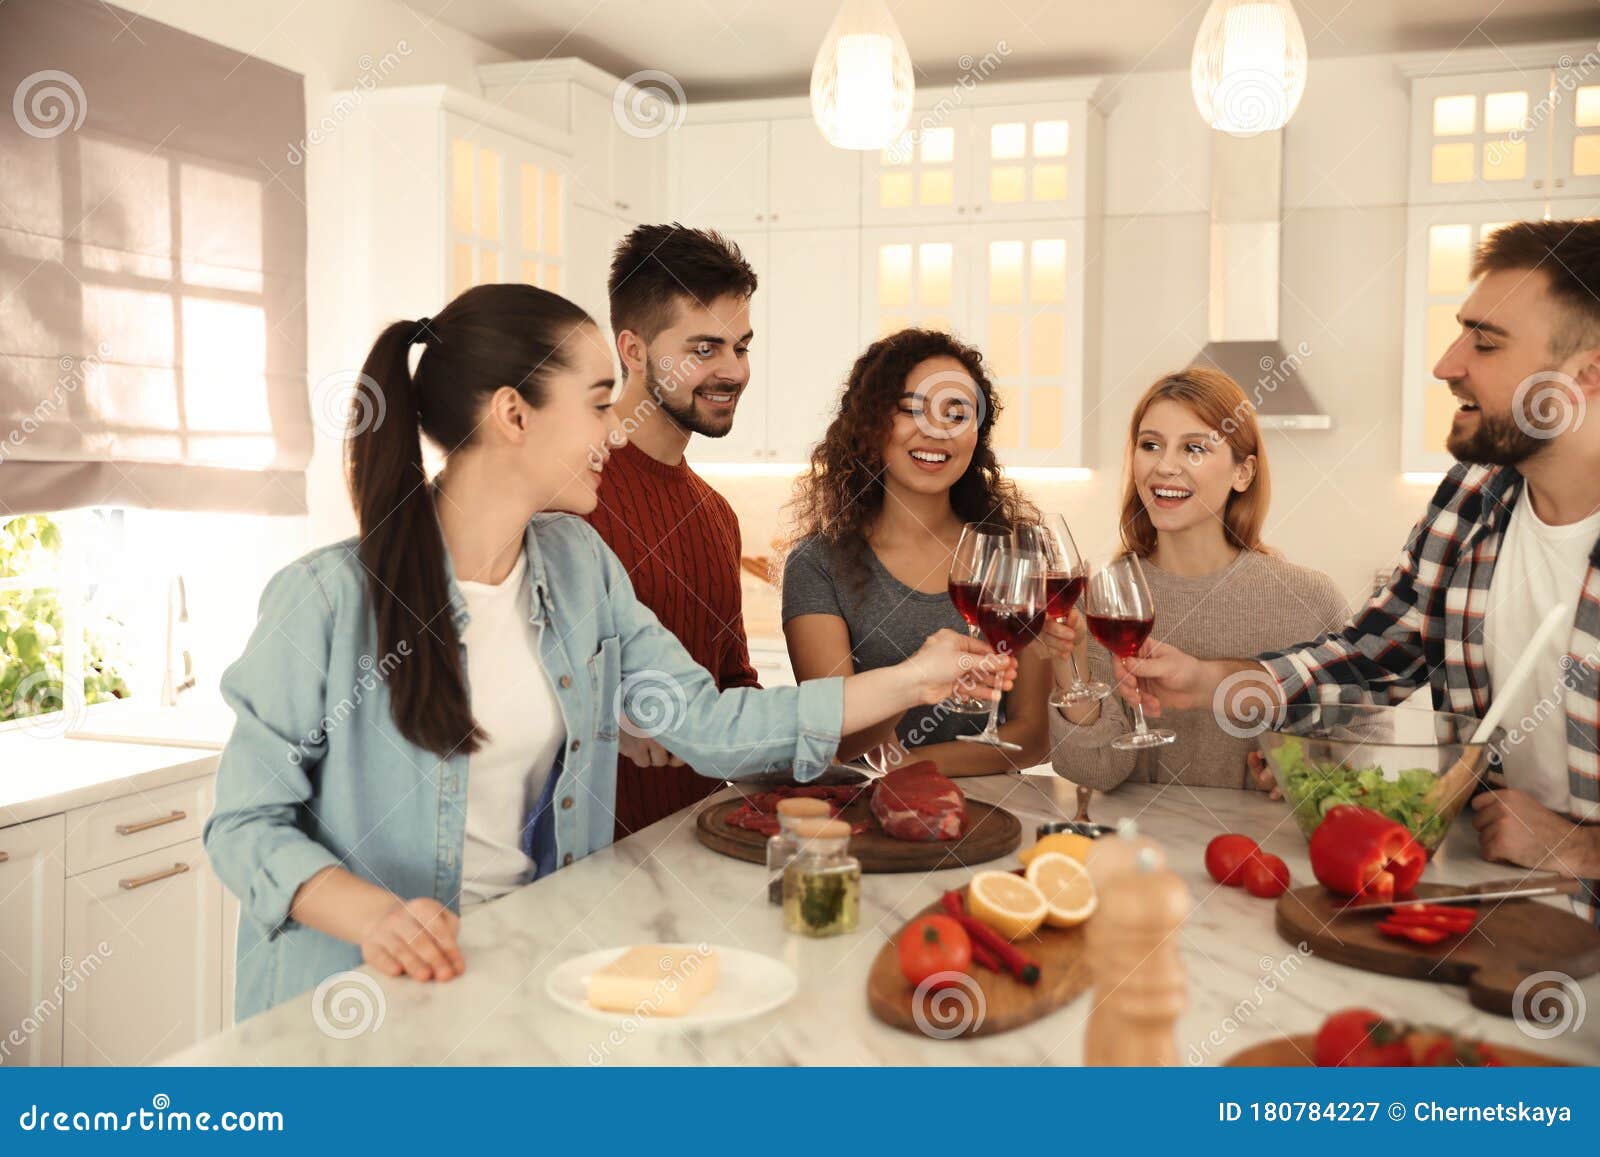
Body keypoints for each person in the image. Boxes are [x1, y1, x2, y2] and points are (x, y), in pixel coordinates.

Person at [204, 285, 1013, 1018]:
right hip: (353, 1003)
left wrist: (914, 677)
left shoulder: (577, 566)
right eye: (597, 405)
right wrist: (376, 915)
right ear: (514, 415)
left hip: (530, 968)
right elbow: (244, 825)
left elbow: (711, 723)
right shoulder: (324, 599)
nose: (613, 429)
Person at [1115, 220, 1600, 924]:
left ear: (1587, 371)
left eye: (1486, 341)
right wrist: (1210, 680)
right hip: (1510, 913)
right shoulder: (1472, 498)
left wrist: (1580, 849)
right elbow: (1370, 659)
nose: (1447, 363)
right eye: (1462, 332)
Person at [1039, 368, 1348, 790]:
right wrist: (1068, 655)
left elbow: (1365, 740)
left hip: (1266, 852)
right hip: (1139, 849)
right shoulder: (1101, 602)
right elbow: (1097, 772)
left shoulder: (1310, 599)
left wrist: (1313, 767)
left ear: (1243, 472)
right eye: (1150, 445)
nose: (1165, 466)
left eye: (1194, 449)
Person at [781, 328, 1050, 775]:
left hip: (997, 813)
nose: (936, 431)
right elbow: (837, 736)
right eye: (911, 410)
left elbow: (1032, 736)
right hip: (872, 814)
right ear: (870, 424)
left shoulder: (1015, 553)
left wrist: (914, 764)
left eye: (956, 413)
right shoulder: (817, 565)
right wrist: (919, 682)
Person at [584, 224, 764, 840]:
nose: (733, 371)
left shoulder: (716, 516)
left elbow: (733, 686)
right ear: (633, 351)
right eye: (704, 348)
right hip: (583, 870)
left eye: (742, 346)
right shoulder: (565, 496)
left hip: (702, 849)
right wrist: (607, 717)